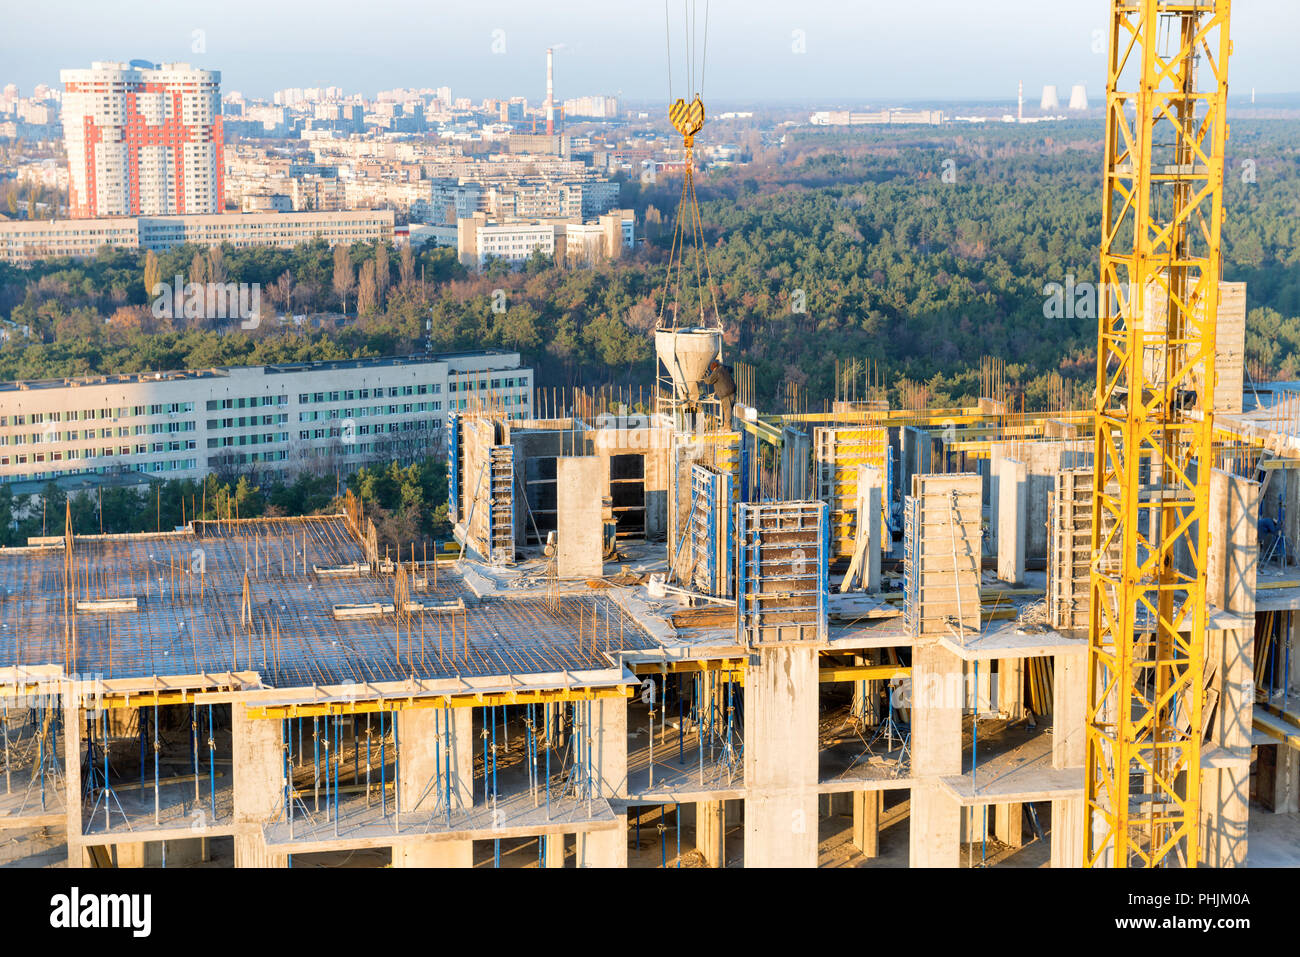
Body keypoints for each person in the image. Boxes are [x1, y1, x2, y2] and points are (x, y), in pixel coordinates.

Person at [701, 357, 736, 425]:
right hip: (732, 392)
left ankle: (727, 426)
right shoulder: (724, 368)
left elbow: (709, 381)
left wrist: (704, 378)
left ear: (714, 368)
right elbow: (731, 369)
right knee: (730, 410)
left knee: (727, 410)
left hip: (725, 394)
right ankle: (728, 425)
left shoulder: (716, 372)